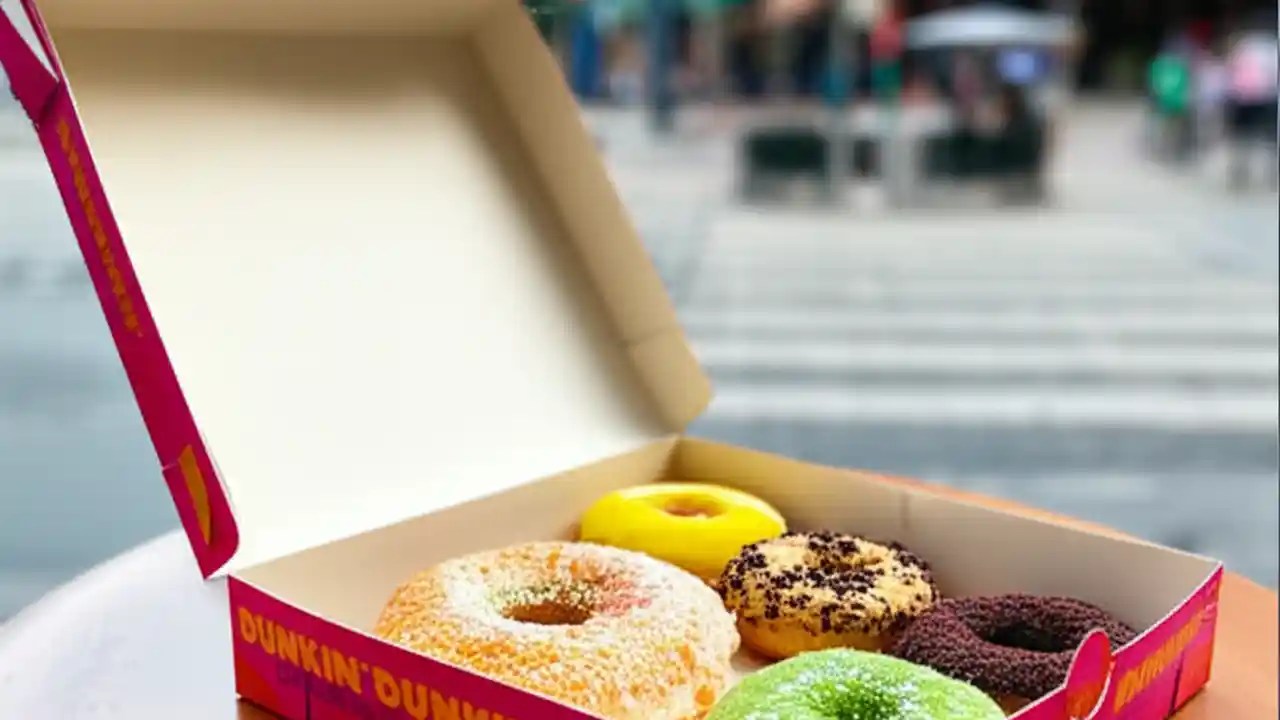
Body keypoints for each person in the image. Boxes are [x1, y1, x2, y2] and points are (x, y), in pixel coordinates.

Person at [1223, 25, 1278, 189]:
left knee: (1241, 138)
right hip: (1265, 97)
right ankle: (1272, 175)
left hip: (1242, 98)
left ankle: (1240, 173)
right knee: (1270, 140)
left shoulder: (1242, 46)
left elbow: (1231, 71)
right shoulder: (1272, 47)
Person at [1148, 42, 1193, 163]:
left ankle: (1166, 150)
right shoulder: (1179, 66)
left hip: (1168, 102)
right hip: (1173, 102)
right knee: (1170, 128)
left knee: (1167, 128)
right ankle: (1168, 150)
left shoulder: (1160, 66)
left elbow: (1154, 84)